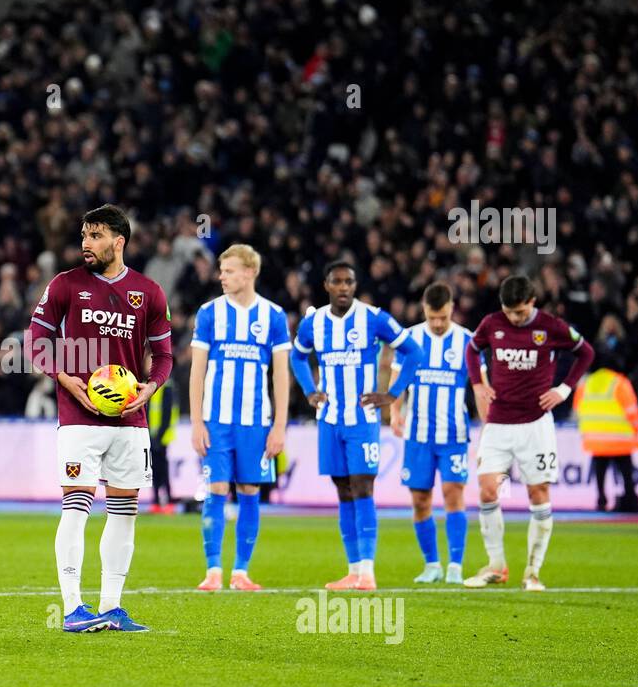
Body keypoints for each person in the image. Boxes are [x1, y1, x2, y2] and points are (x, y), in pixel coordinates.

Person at [26, 204, 172, 633]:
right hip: (79, 417)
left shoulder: (148, 292)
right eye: (83, 236)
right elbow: (36, 343)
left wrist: (150, 388)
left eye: (95, 236)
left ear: (118, 241)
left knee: (124, 511)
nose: (85, 244)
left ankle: (111, 606)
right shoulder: (65, 285)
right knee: (77, 505)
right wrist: (66, 379)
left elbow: (163, 355)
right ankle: (73, 608)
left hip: (130, 420)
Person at [290, 260, 423, 590]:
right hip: (329, 419)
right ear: (327, 286)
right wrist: (309, 390)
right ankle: (353, 570)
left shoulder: (373, 318)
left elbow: (413, 351)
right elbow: (297, 356)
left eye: (349, 281)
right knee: (343, 491)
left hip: (362, 420)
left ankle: (368, 571)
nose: (345, 287)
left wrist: (391, 395)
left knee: (363, 488)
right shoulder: (314, 322)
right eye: (338, 282)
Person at [464, 274, 595, 591]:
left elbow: (586, 352)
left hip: (536, 424)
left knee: (538, 494)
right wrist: (479, 384)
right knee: (487, 490)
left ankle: (532, 572)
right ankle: (496, 566)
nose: (514, 318)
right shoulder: (491, 323)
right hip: (498, 422)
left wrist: (564, 390)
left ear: (532, 303)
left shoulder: (551, 326)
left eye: (520, 312)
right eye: (509, 312)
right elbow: (472, 349)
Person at [189, 244, 291, 591]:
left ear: (250, 272)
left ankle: (241, 572)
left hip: (255, 422)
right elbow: (196, 373)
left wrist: (279, 427)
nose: (222, 276)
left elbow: (280, 376)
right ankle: (213, 570)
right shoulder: (208, 314)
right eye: (221, 270)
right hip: (215, 421)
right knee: (216, 489)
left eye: (229, 271)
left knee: (249, 491)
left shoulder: (274, 317)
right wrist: (196, 422)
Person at [389, 282, 474, 584]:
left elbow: (480, 387)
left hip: (453, 435)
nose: (437, 324)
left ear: (452, 309)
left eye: (443, 317)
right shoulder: (410, 338)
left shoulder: (468, 341)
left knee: (454, 495)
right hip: (418, 434)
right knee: (420, 500)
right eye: (432, 317)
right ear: (424, 310)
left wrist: (488, 424)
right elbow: (399, 376)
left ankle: (455, 566)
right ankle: (432, 564)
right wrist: (395, 411)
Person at [574, 356, 638, 513]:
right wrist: (636, 430)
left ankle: (601, 501)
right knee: (626, 473)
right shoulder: (619, 382)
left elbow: (578, 408)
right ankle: (630, 499)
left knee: (600, 473)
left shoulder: (586, 383)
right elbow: (632, 410)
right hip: (620, 439)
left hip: (595, 439)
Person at [147, 377, 178, 512]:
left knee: (162, 470)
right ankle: (156, 501)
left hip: (162, 437)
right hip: (150, 436)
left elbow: (167, 414)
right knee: (154, 469)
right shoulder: (148, 385)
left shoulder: (167, 387)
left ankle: (167, 500)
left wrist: (158, 437)